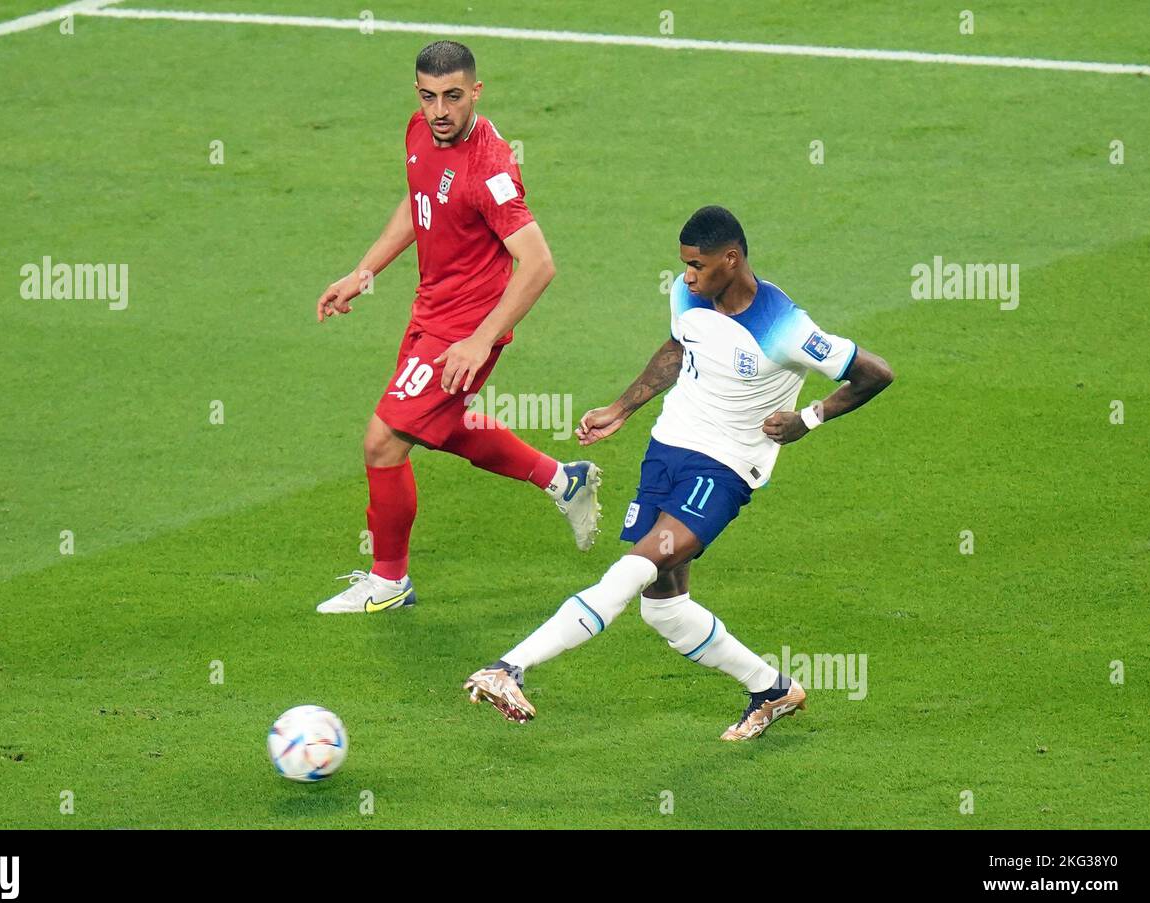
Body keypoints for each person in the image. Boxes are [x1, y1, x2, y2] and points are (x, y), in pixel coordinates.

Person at [464, 205, 894, 740]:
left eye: (697, 265)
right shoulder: (688, 294)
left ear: (731, 261)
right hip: (669, 449)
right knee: (664, 611)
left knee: (636, 566)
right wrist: (622, 408)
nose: (687, 276)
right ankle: (772, 689)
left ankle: (509, 667)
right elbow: (676, 346)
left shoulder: (786, 327)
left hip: (727, 466)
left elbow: (876, 374)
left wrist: (808, 419)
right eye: (684, 264)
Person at [315, 41, 601, 614]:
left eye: (452, 97)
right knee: (438, 425)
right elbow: (416, 203)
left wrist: (480, 339)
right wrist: (362, 272)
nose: (439, 110)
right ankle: (563, 481)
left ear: (476, 91)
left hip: (465, 329)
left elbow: (539, 264)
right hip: (429, 313)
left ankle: (389, 582)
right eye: (427, 97)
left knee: (384, 441)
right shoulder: (419, 132)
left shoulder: (490, 170)